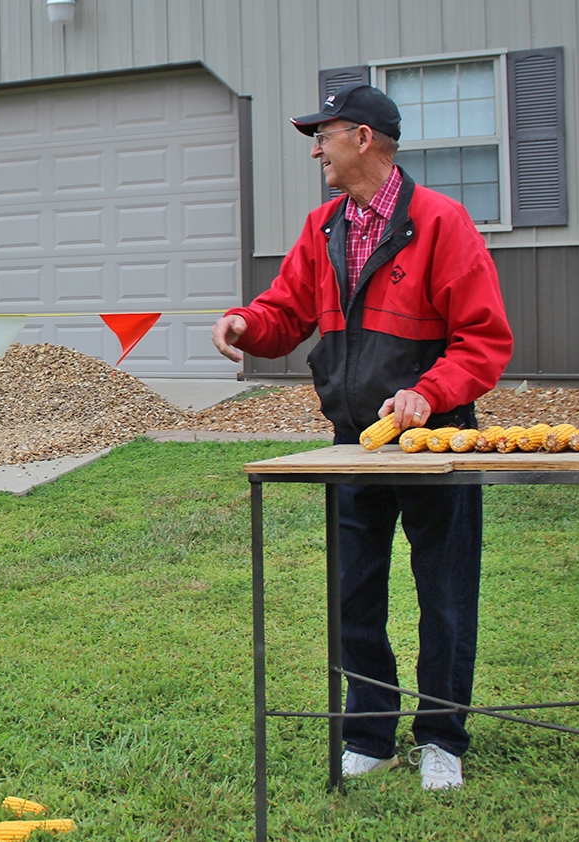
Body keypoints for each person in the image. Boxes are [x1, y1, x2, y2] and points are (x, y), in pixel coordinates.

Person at [211, 83, 514, 790]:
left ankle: (442, 737)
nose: (315, 148)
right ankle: (370, 734)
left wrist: (429, 392)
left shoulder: (444, 223)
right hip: (355, 440)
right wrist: (246, 324)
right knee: (355, 591)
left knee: (443, 594)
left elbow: (483, 341)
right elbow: (285, 309)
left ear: (365, 138)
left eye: (325, 133)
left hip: (437, 441)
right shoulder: (324, 228)